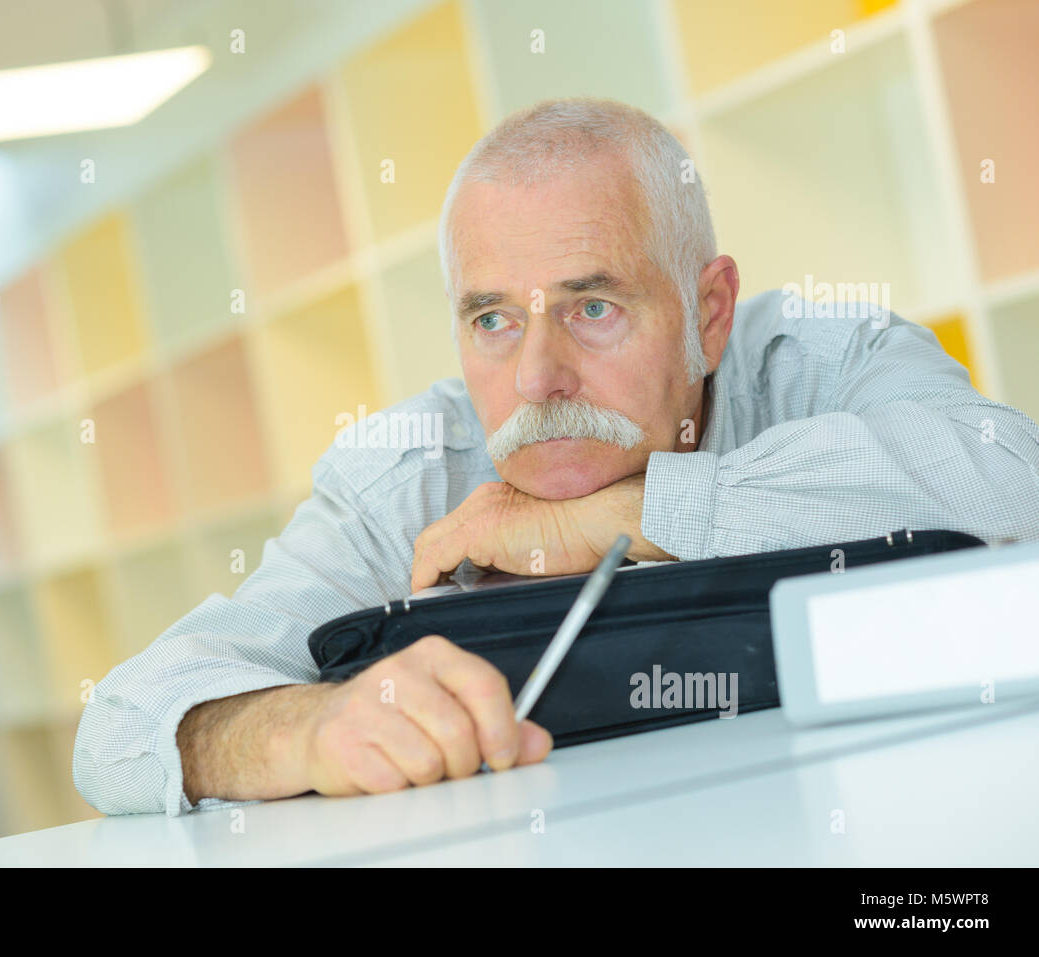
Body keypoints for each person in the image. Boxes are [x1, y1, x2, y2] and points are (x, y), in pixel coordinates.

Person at [74, 97, 1039, 817]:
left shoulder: (825, 361)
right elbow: (120, 724)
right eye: (493, 319)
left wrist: (620, 517)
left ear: (708, 312)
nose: (539, 379)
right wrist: (303, 727)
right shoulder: (411, 468)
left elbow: (1009, 479)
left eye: (594, 308)